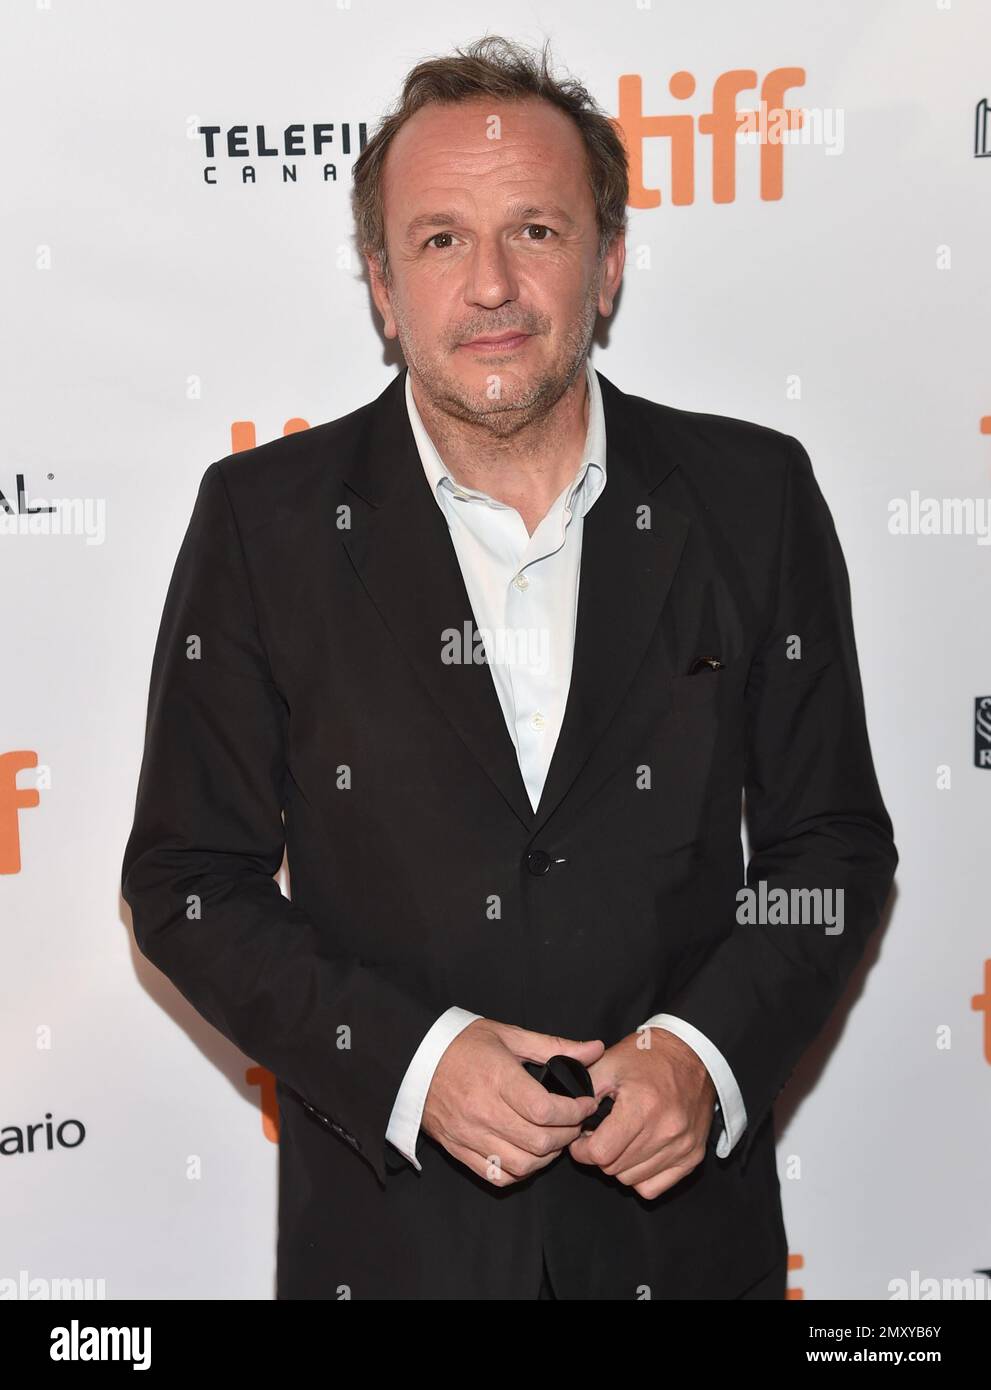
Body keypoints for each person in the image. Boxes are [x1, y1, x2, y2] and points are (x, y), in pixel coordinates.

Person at [121, 35, 897, 1300]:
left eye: (534, 230)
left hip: (681, 1247)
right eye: (438, 240)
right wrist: (416, 1064)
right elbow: (185, 882)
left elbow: (830, 850)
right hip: (389, 1252)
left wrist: (701, 1055)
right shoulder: (262, 523)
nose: (490, 284)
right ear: (381, 285)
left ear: (608, 265)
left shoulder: (753, 499)